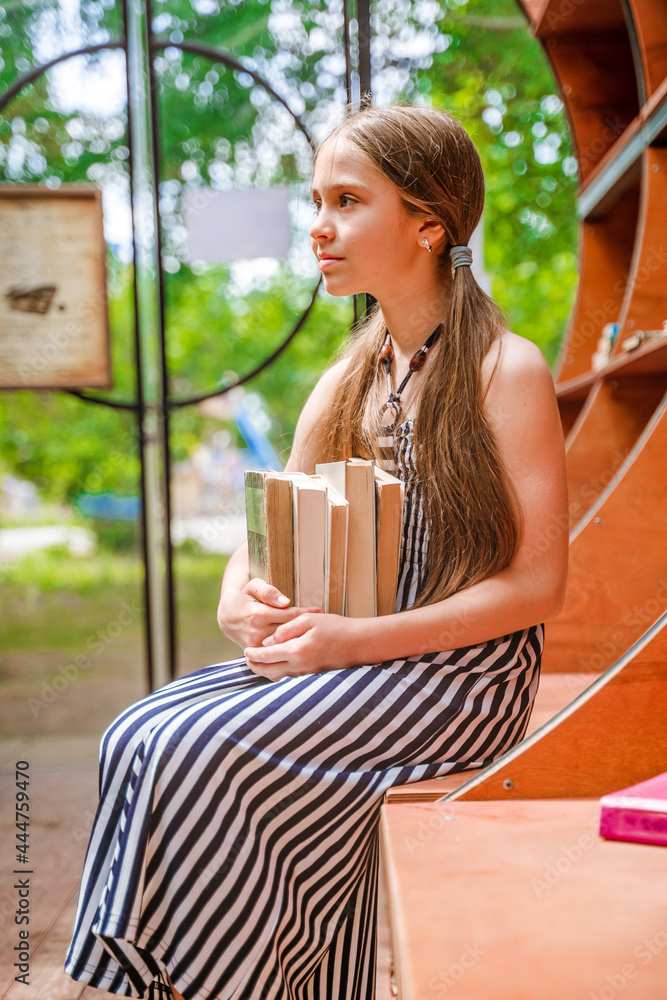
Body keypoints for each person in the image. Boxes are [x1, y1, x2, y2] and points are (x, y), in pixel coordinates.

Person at [65, 102, 568, 1000]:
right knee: (135, 733)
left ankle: (220, 982)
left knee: (203, 751)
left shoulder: (507, 371)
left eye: (346, 200)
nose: (319, 227)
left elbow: (536, 588)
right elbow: (262, 535)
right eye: (316, 200)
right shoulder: (350, 374)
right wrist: (239, 598)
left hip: (459, 685)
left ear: (428, 223)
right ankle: (250, 979)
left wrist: (347, 643)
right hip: (350, 661)